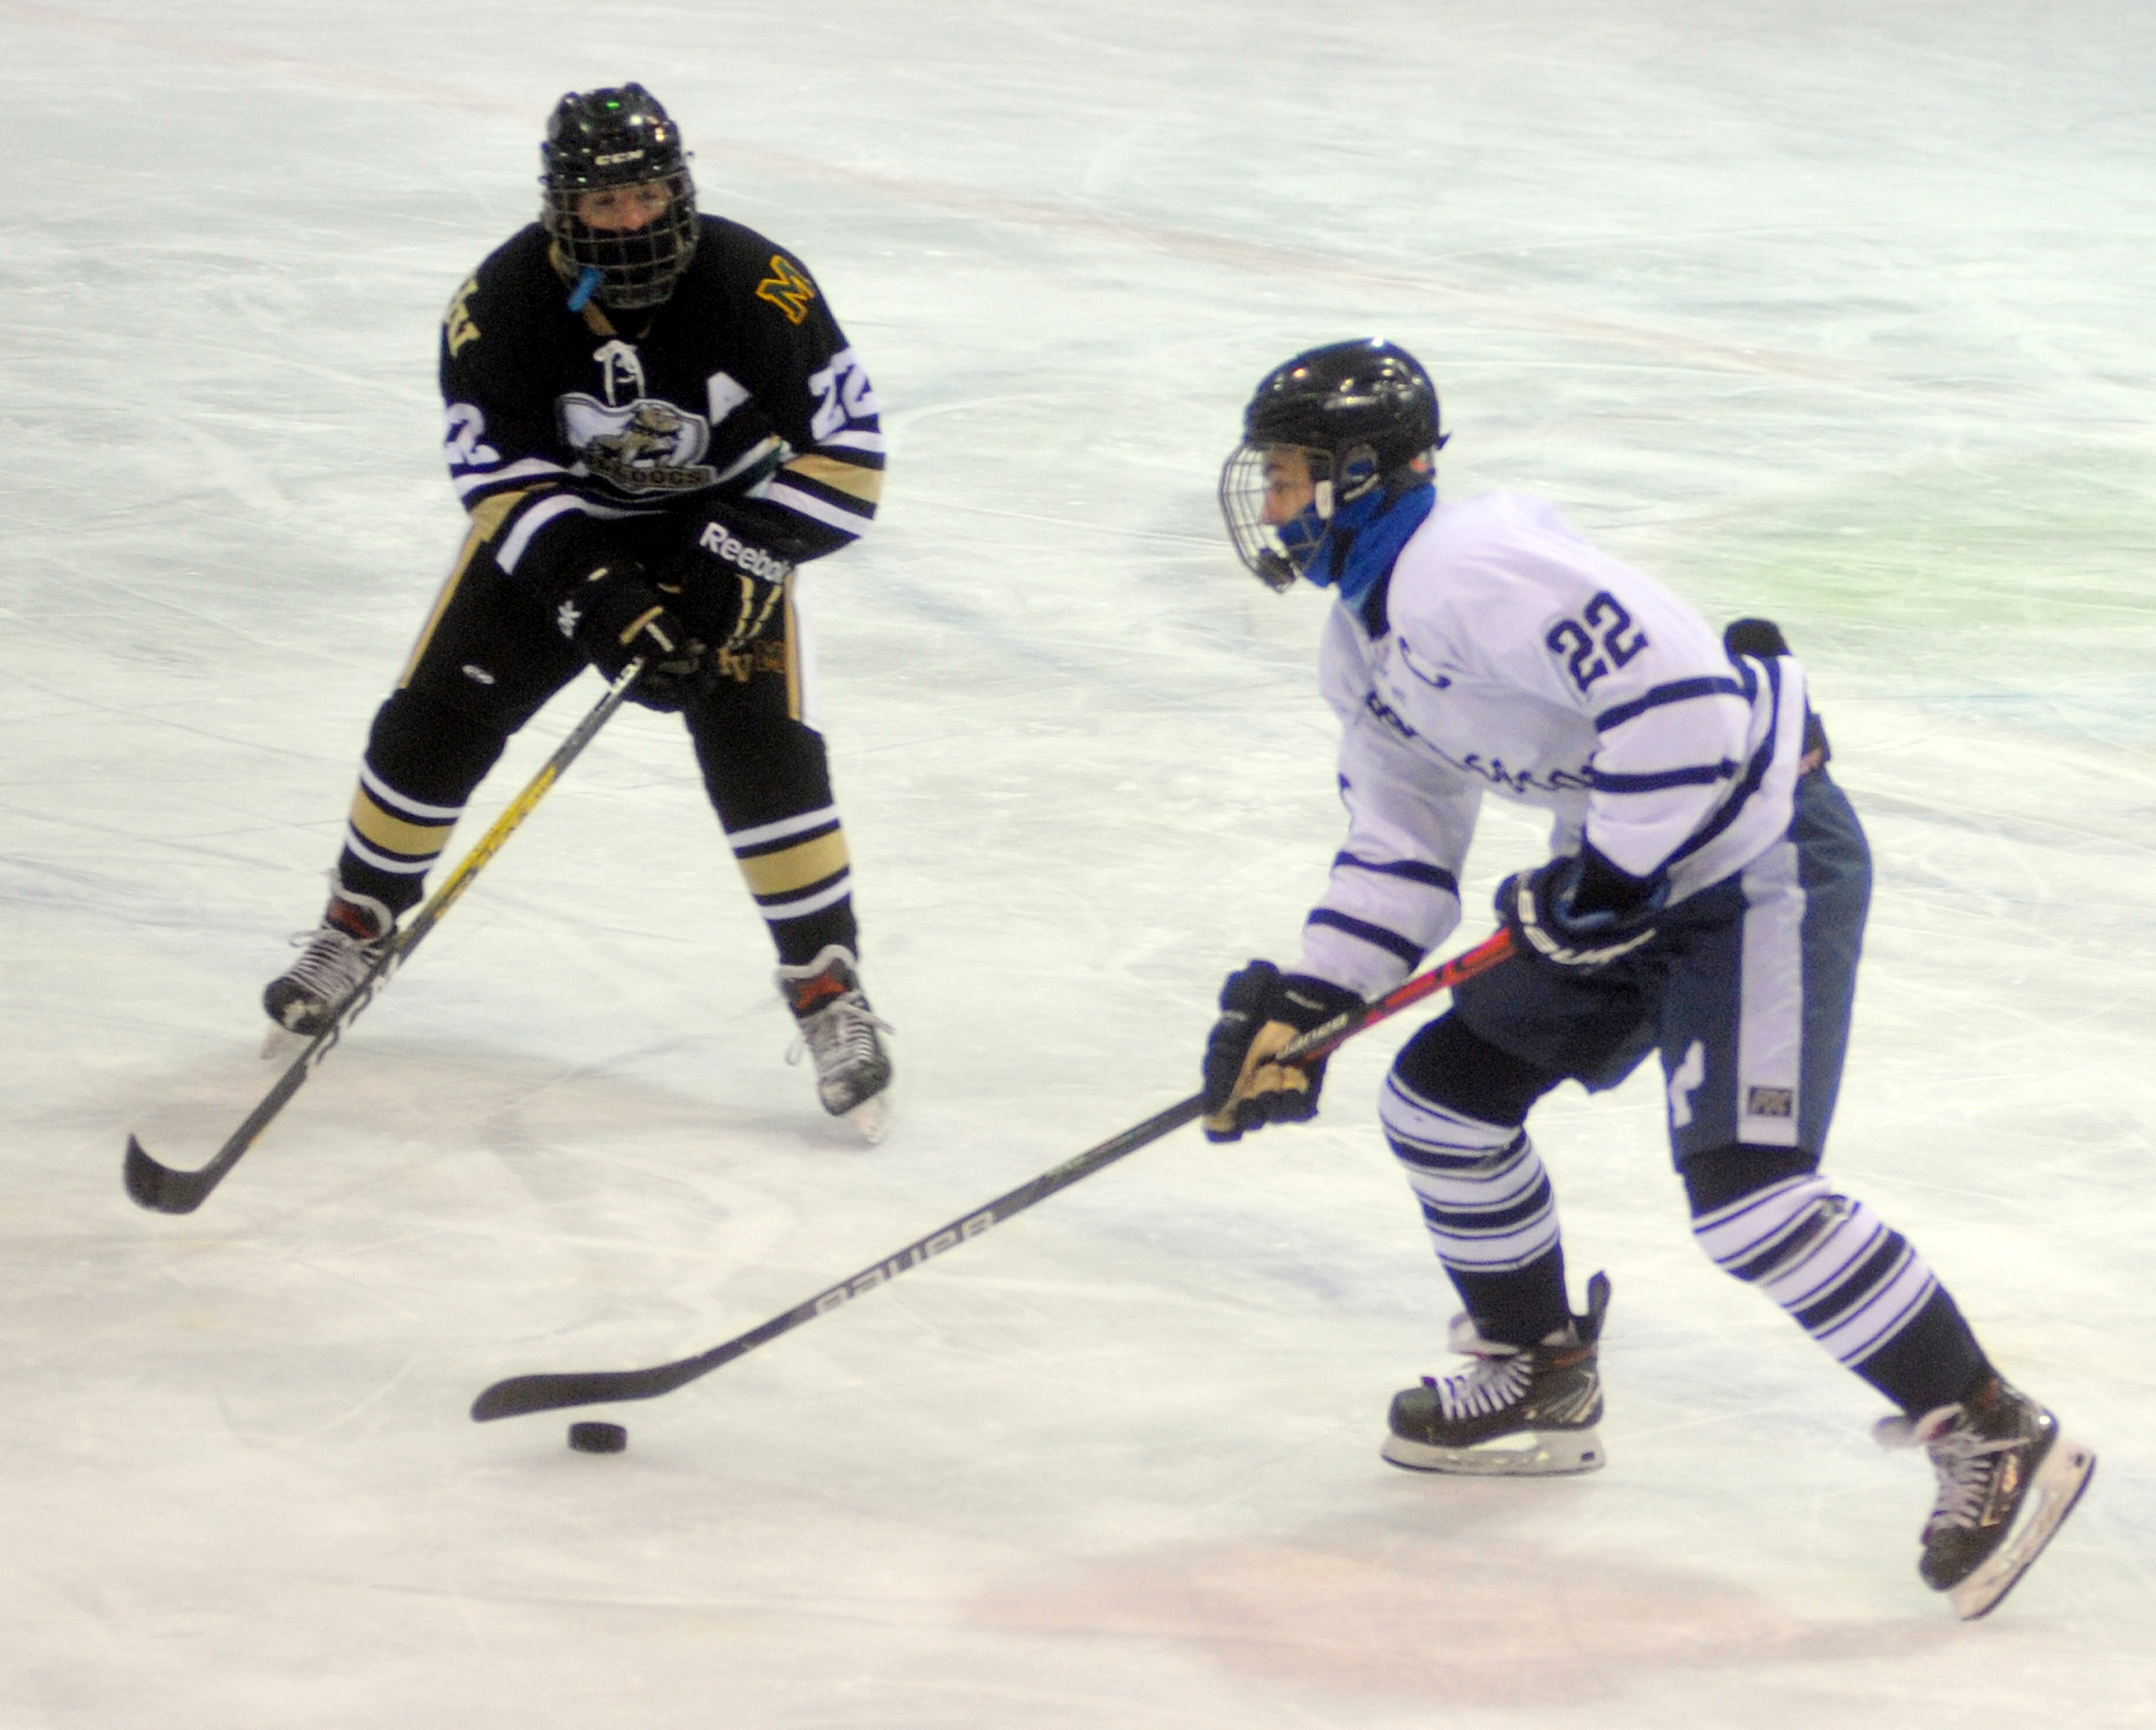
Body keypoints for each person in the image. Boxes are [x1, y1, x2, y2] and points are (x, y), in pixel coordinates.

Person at [1198, 337, 2093, 1617]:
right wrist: (1311, 1000)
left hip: (1757, 860)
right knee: (1443, 1100)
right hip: (1620, 887)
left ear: (1358, 474)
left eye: (1287, 474)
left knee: (1751, 1201)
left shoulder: (1478, 565)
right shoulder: (1363, 645)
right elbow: (1400, 845)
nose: (1272, 503)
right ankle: (1539, 1368)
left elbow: (1689, 706)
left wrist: (1606, 885)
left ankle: (1995, 1428)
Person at [263, 84, 893, 1137]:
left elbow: (854, 451)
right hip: (562, 541)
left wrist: (736, 556)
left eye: (648, 194)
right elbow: (497, 477)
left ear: (680, 189)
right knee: (429, 725)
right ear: (563, 209)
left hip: (722, 530)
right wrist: (593, 590)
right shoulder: (498, 305)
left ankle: (828, 987)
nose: (633, 221)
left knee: (764, 749)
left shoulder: (759, 284)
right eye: (606, 205)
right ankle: (355, 922)